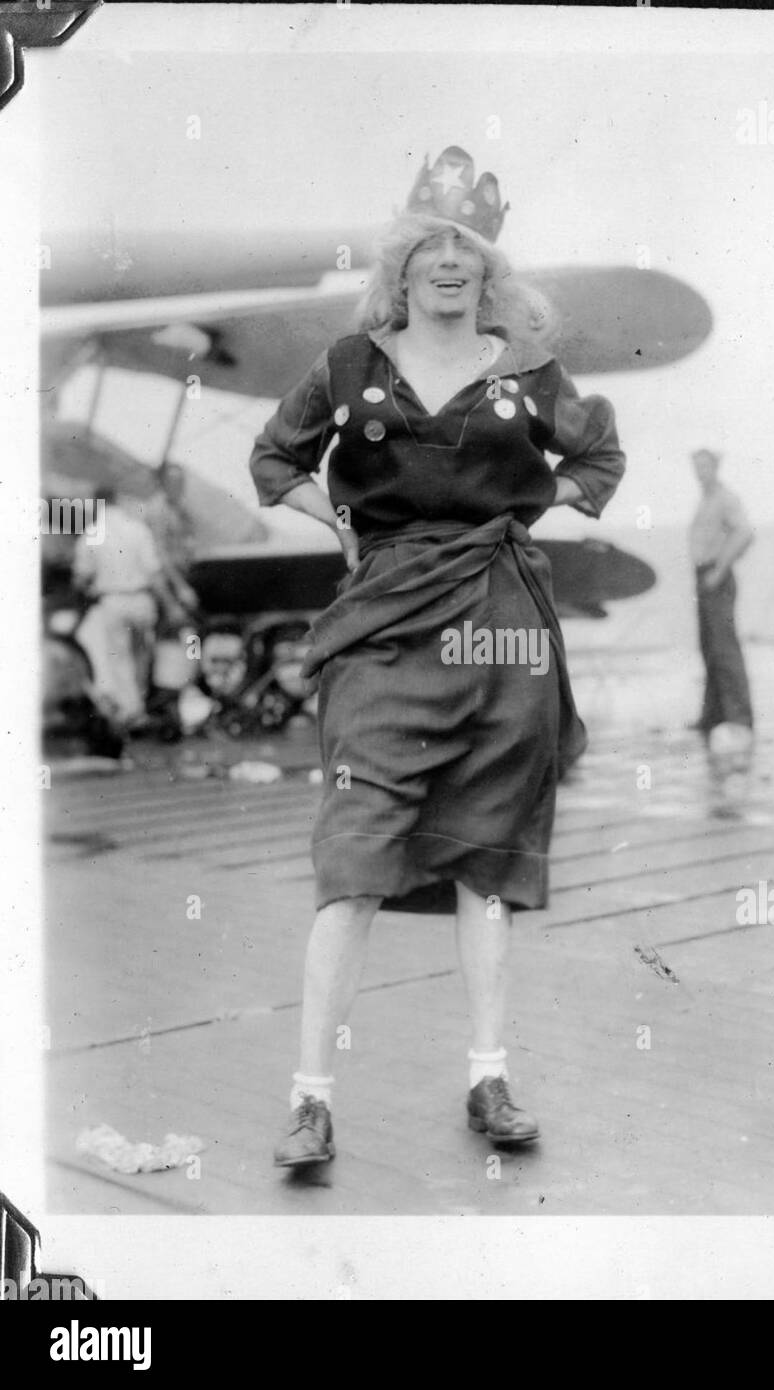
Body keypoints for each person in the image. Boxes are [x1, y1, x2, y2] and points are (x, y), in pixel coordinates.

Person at [248, 146, 625, 1167]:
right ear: (403, 264)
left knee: (485, 857)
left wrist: (524, 518)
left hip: (502, 627)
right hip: (382, 623)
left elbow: (597, 455)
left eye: (469, 253)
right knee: (353, 853)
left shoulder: (526, 372)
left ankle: (488, 1078)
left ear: (488, 271)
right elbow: (272, 457)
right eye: (432, 250)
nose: (450, 267)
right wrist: (336, 517)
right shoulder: (349, 363)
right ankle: (309, 1099)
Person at [72, 485, 182, 731]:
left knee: (119, 659)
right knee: (142, 657)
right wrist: (171, 605)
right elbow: (155, 573)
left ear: (95, 503)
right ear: (117, 500)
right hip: (142, 601)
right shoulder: (137, 529)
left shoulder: (92, 533)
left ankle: (133, 713)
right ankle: (139, 705)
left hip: (112, 601)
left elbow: (81, 576)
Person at [687, 448, 755, 739]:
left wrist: (720, 569)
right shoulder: (705, 499)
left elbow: (745, 533)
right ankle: (712, 717)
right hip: (703, 575)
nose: (700, 472)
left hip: (718, 576)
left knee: (725, 649)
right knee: (709, 647)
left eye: (705, 466)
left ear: (716, 467)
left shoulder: (725, 498)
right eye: (696, 467)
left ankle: (740, 719)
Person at [142, 462, 200, 740]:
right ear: (163, 483)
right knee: (172, 648)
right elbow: (160, 556)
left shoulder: (179, 509)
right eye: (175, 482)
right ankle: (167, 712)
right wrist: (178, 590)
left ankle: (178, 704)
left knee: (184, 645)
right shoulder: (158, 510)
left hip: (180, 585)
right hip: (168, 590)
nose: (180, 488)